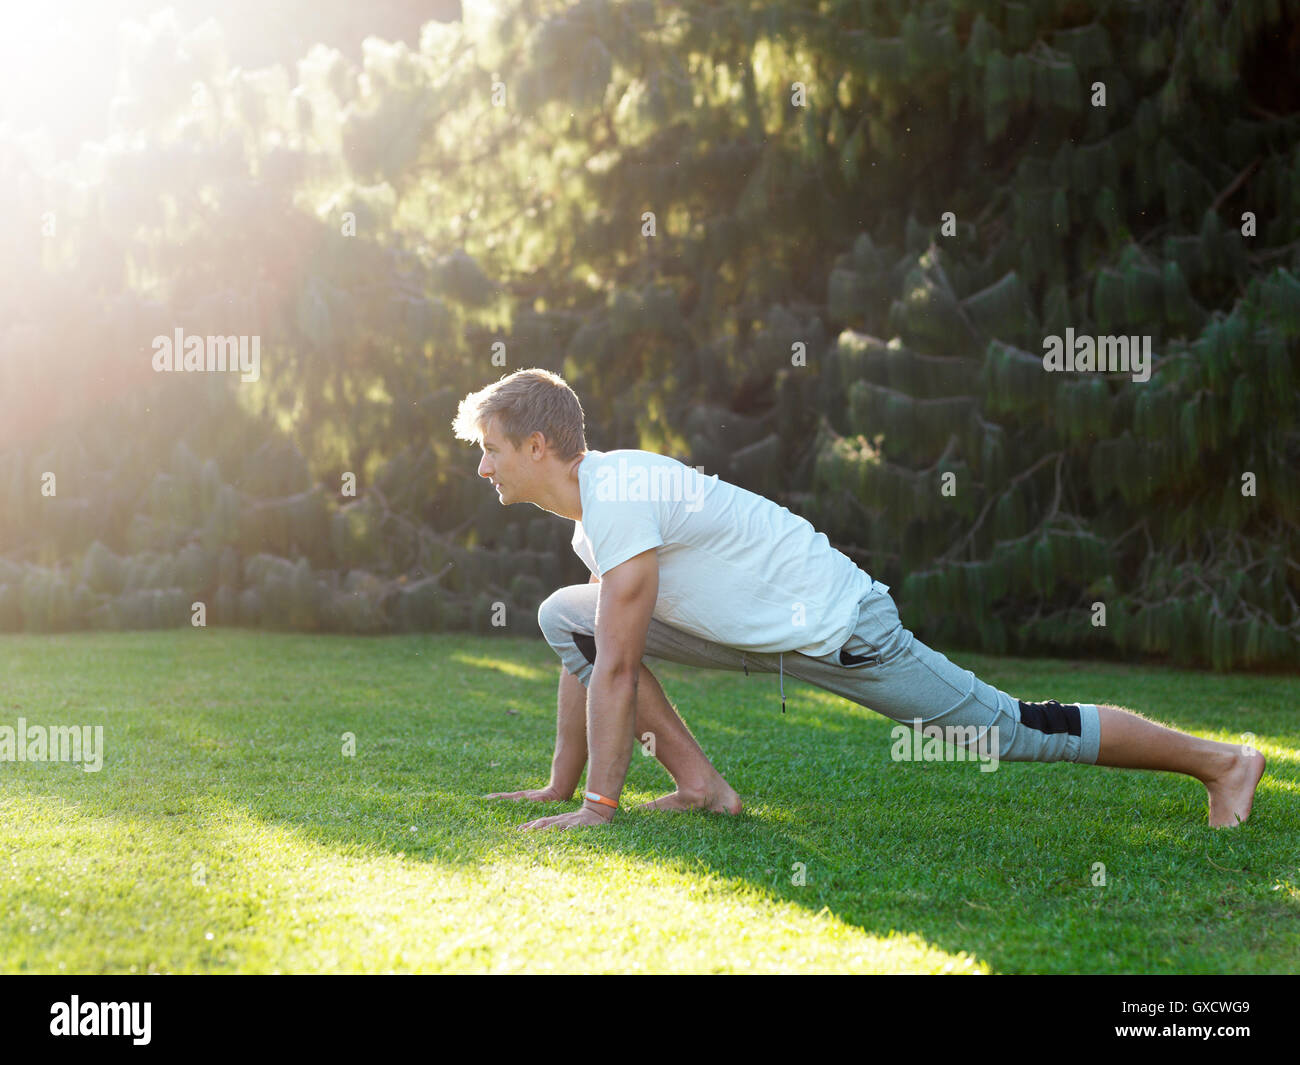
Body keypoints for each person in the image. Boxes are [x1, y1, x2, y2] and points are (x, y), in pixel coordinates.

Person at [452, 368, 1267, 832]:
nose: (484, 468)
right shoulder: (596, 520)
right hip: (759, 637)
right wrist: (563, 785)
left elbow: (621, 665)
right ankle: (703, 786)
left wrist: (600, 808)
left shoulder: (618, 493)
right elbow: (596, 646)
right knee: (570, 612)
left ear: (537, 444)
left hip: (843, 630)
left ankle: (1223, 762)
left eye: (491, 451)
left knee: (1010, 731)